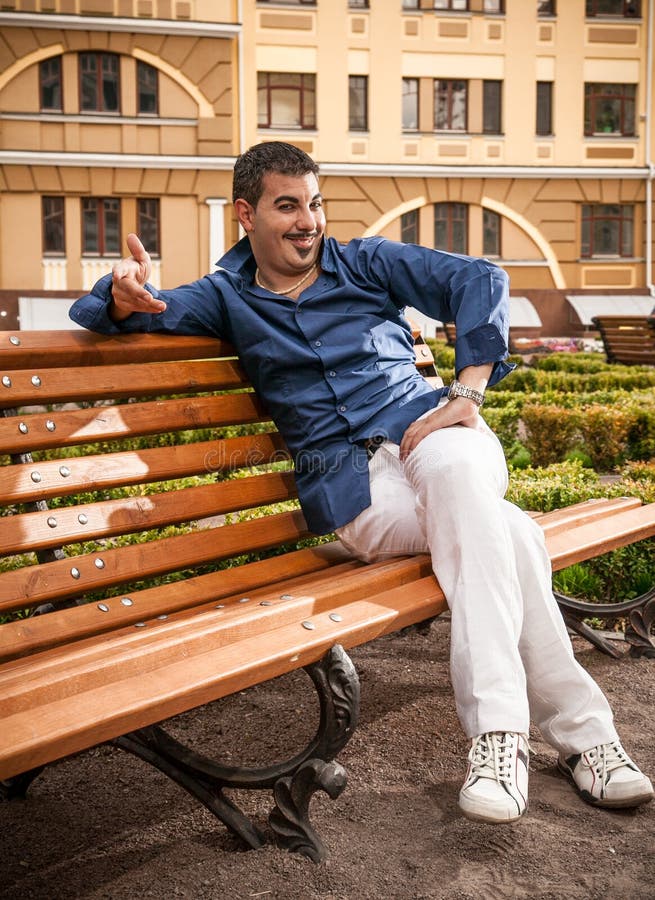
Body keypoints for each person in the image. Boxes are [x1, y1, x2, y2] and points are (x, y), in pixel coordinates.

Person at [70, 140, 653, 825]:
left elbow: (482, 279)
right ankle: (588, 741)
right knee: (505, 532)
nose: (306, 221)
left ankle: (498, 739)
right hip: (351, 490)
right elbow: (132, 311)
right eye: (286, 205)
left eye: (313, 203)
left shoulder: (366, 262)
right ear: (244, 214)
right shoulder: (224, 297)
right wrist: (116, 295)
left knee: (465, 488)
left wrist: (468, 392)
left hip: (430, 436)